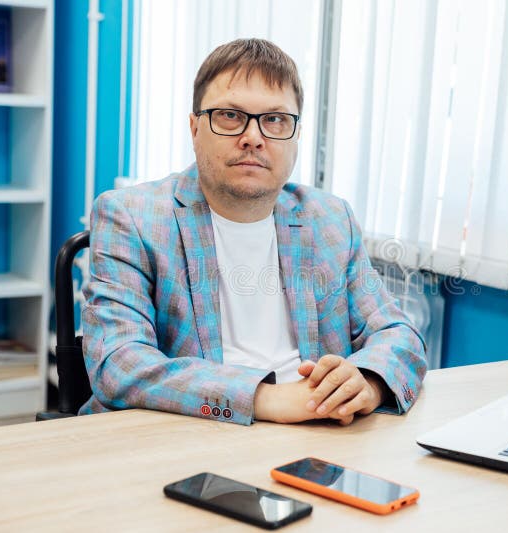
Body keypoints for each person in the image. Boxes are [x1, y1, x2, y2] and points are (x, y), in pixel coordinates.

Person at [80, 38, 427, 426]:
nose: (253, 137)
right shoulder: (131, 216)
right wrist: (266, 399)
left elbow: (397, 333)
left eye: (275, 120)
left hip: (318, 432)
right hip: (185, 434)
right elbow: (119, 363)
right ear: (195, 128)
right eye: (230, 115)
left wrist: (367, 383)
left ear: (296, 135)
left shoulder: (330, 219)